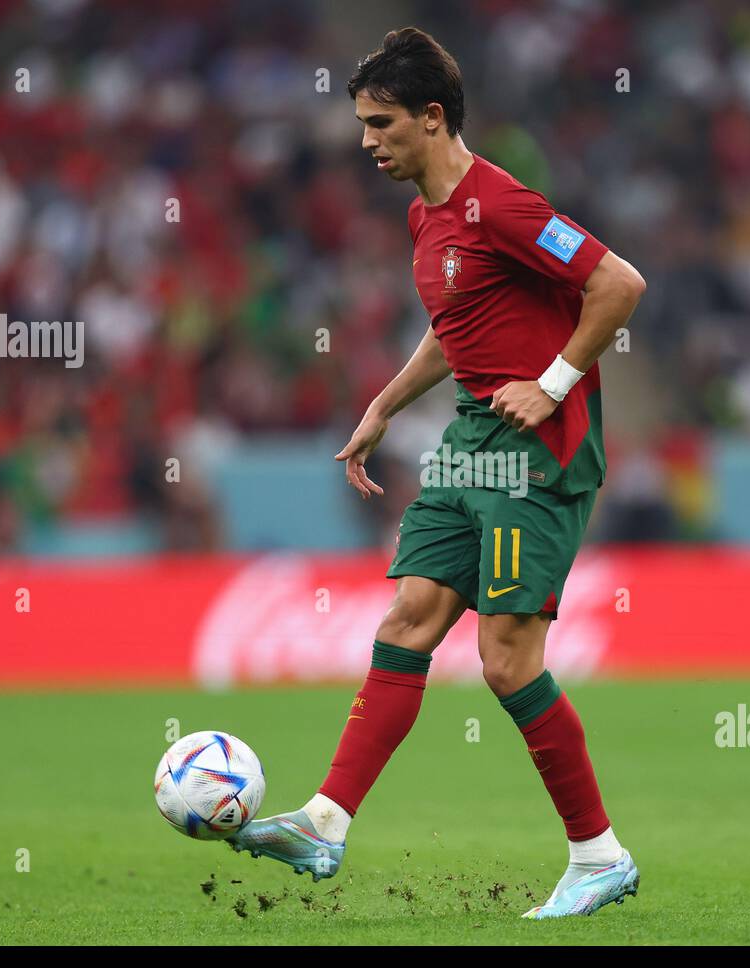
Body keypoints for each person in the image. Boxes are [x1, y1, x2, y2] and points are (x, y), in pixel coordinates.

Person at [229, 27, 647, 919]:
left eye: (381, 124)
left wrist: (553, 382)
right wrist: (384, 405)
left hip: (538, 451)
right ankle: (326, 820)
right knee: (410, 619)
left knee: (504, 661)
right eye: (360, 126)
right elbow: (455, 322)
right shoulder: (427, 215)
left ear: (432, 118)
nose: (367, 142)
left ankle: (599, 855)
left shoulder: (505, 205)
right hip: (467, 440)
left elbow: (621, 284)